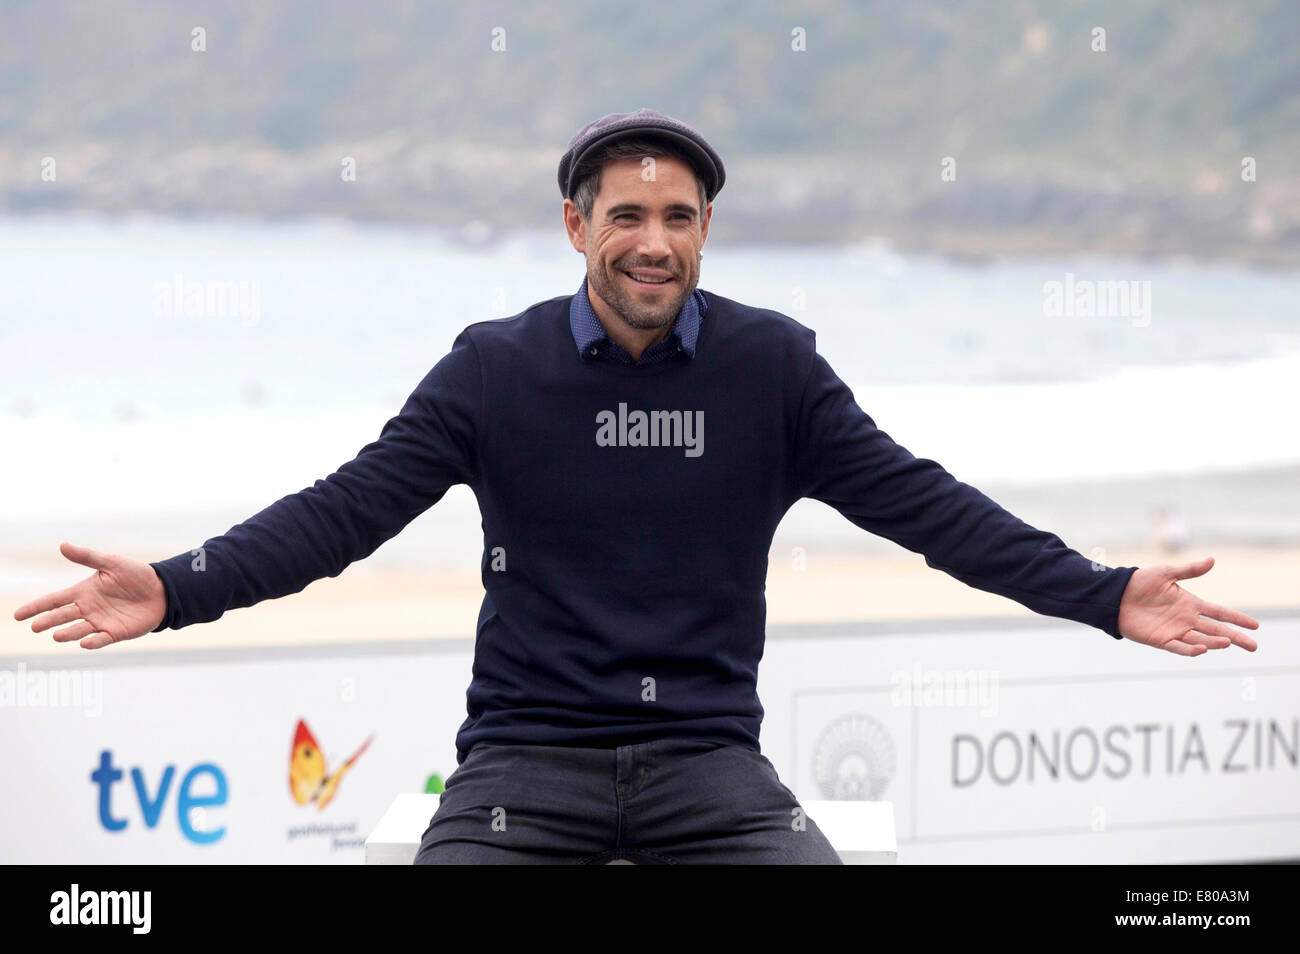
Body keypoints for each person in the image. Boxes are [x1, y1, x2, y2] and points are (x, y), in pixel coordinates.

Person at [13, 108, 1261, 864]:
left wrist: (1102, 594)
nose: (652, 238)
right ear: (575, 227)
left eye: (677, 214)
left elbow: (925, 506)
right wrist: (177, 588)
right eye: (624, 214)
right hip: (519, 764)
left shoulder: (774, 369)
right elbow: (345, 511)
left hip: (708, 764)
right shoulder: (493, 370)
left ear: (707, 230)